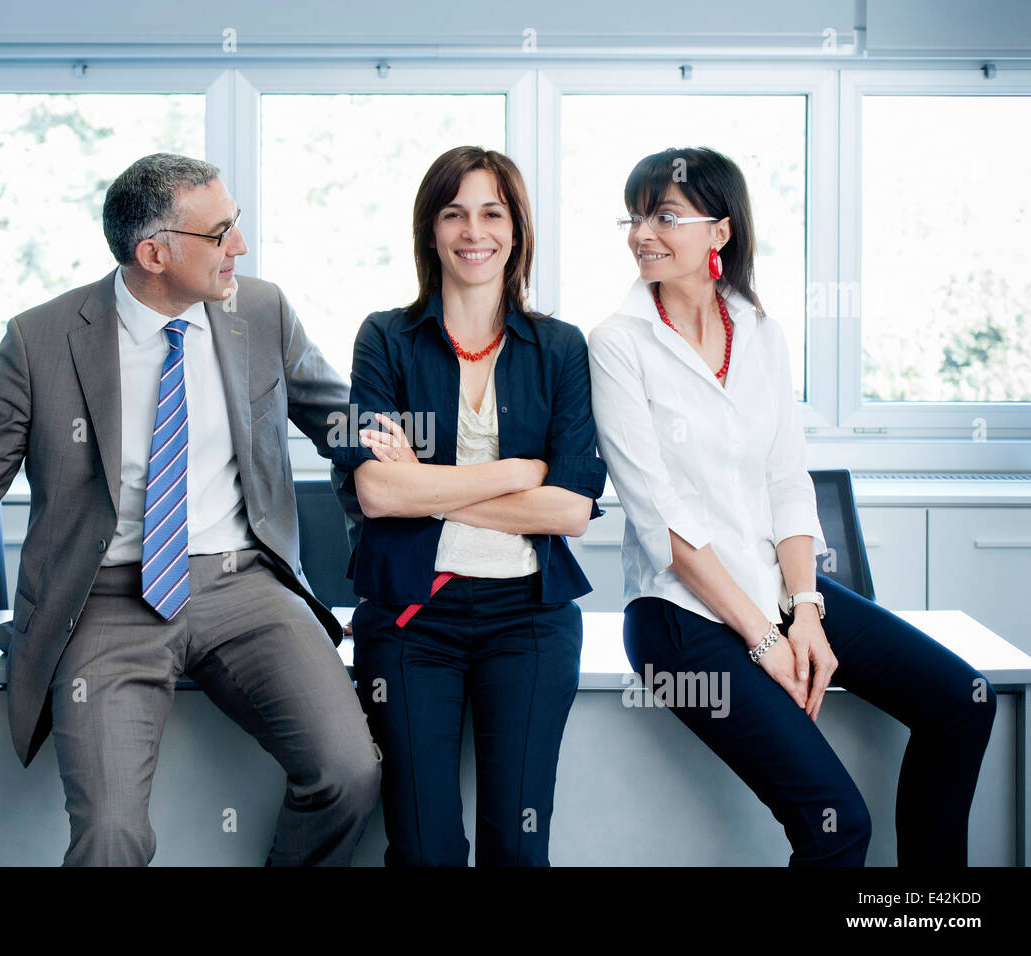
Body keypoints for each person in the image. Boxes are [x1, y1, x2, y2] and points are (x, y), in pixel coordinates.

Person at [0, 152, 381, 866]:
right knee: (111, 835)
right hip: (106, 600)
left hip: (245, 588)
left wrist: (412, 453)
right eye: (220, 233)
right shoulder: (41, 342)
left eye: (234, 225)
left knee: (350, 774)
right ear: (154, 253)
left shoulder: (261, 311)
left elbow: (337, 421)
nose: (238, 246)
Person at [588, 146, 996, 866]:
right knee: (838, 822)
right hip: (681, 617)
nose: (641, 233)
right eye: (635, 216)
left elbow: (786, 481)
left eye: (664, 216)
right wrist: (766, 639)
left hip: (776, 589)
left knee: (963, 701)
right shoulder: (618, 344)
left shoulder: (760, 331)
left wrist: (805, 608)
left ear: (720, 233)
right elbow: (660, 517)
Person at [332, 146, 606, 866]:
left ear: (516, 230)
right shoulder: (385, 339)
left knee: (517, 849)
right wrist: (517, 471)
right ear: (431, 230)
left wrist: (431, 487)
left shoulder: (560, 348)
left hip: (530, 620)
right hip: (412, 621)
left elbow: (571, 510)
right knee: (424, 852)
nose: (473, 230)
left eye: (492, 212)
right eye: (454, 213)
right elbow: (378, 492)